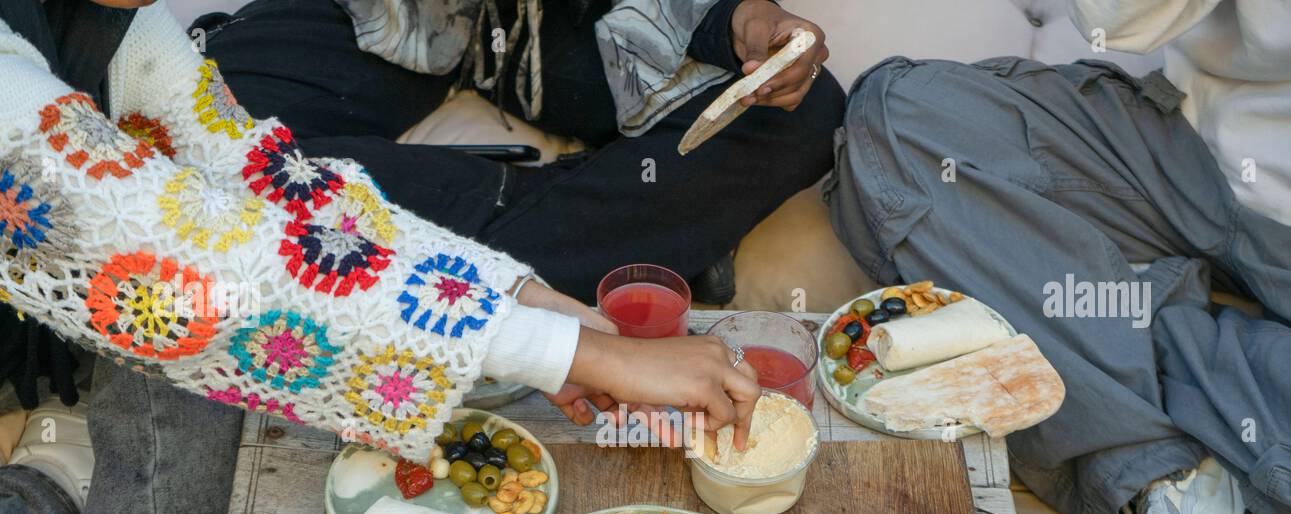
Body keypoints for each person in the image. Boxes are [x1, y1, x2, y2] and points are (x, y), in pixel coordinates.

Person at [0, 0, 762, 514]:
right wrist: (583, 355)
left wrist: (540, 304)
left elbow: (275, 194)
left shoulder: (115, 26)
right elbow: (186, 258)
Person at [827, 0, 1291, 514]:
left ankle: (1151, 341)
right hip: (1180, 156)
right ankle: (1158, 451)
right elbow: (1123, 16)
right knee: (898, 111)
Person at [192, 0, 843, 302]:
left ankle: (507, 249)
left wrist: (748, 18)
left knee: (800, 110)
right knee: (198, 140)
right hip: (386, 16)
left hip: (560, 27)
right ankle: (602, 238)